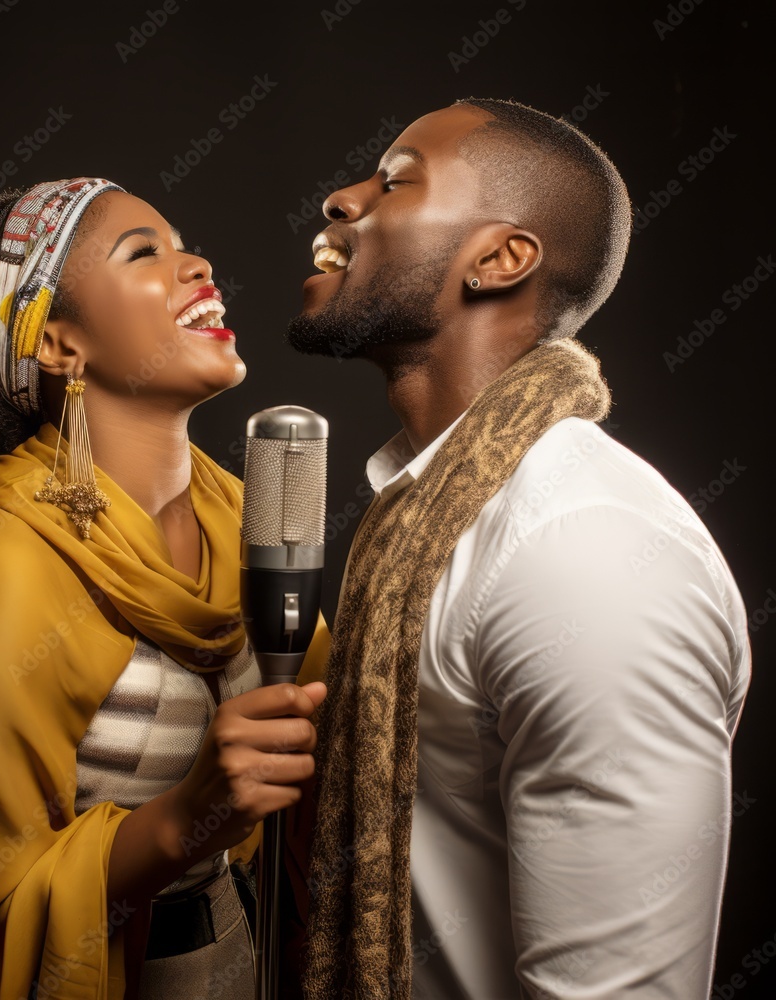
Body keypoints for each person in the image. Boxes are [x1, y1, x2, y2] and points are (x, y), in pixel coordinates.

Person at [285, 99, 752, 999]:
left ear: (500, 260)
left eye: (395, 179)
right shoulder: (426, 516)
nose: (343, 201)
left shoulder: (587, 558)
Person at [0, 176, 330, 1000]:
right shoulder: (3, 573)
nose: (197, 265)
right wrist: (187, 818)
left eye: (183, 243)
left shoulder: (252, 518)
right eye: (144, 252)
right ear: (58, 345)